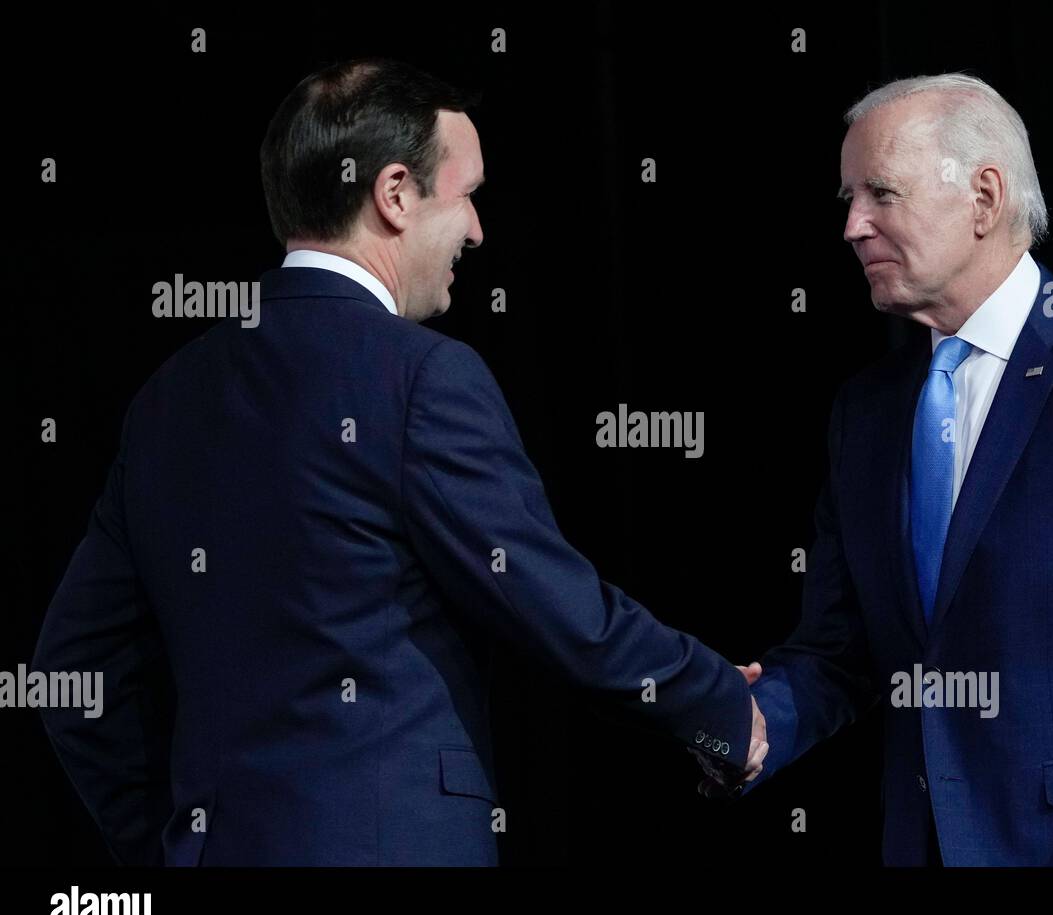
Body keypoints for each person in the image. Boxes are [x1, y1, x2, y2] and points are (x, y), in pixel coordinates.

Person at [32, 56, 767, 866]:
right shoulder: (422, 375)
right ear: (394, 194)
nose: (480, 229)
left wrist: (167, 845)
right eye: (467, 194)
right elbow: (555, 608)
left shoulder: (165, 398)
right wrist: (716, 702)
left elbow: (73, 678)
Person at [700, 73, 1053, 866]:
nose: (854, 226)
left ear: (985, 198)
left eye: (881, 193)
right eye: (848, 199)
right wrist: (738, 722)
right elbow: (838, 650)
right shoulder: (866, 413)